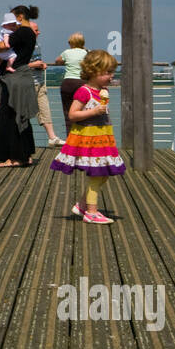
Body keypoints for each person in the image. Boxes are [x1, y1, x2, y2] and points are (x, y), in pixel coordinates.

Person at [51, 49, 125, 223]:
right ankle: (91, 212)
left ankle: (82, 205)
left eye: (112, 72)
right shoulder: (85, 91)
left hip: (101, 137)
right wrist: (94, 111)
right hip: (89, 139)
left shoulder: (103, 90)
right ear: (93, 71)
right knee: (97, 174)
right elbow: (73, 115)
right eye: (107, 72)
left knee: (104, 173)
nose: (111, 75)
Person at [0, 12, 38, 167]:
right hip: (22, 76)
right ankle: (25, 154)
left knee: (10, 116)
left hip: (14, 79)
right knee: (21, 116)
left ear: (20, 16)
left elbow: (1, 47)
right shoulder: (30, 34)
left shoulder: (21, 33)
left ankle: (14, 157)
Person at [28, 19, 65, 146]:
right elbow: (16, 65)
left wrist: (41, 64)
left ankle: (52, 137)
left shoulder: (37, 45)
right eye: (36, 30)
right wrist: (34, 64)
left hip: (39, 82)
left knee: (45, 109)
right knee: (23, 114)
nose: (39, 32)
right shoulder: (22, 46)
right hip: (27, 83)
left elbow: (36, 60)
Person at [54, 33, 88, 127]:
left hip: (68, 83)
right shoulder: (86, 52)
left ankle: (70, 138)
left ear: (70, 42)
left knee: (68, 112)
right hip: (82, 83)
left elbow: (57, 61)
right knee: (83, 111)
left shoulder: (66, 52)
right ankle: (82, 136)